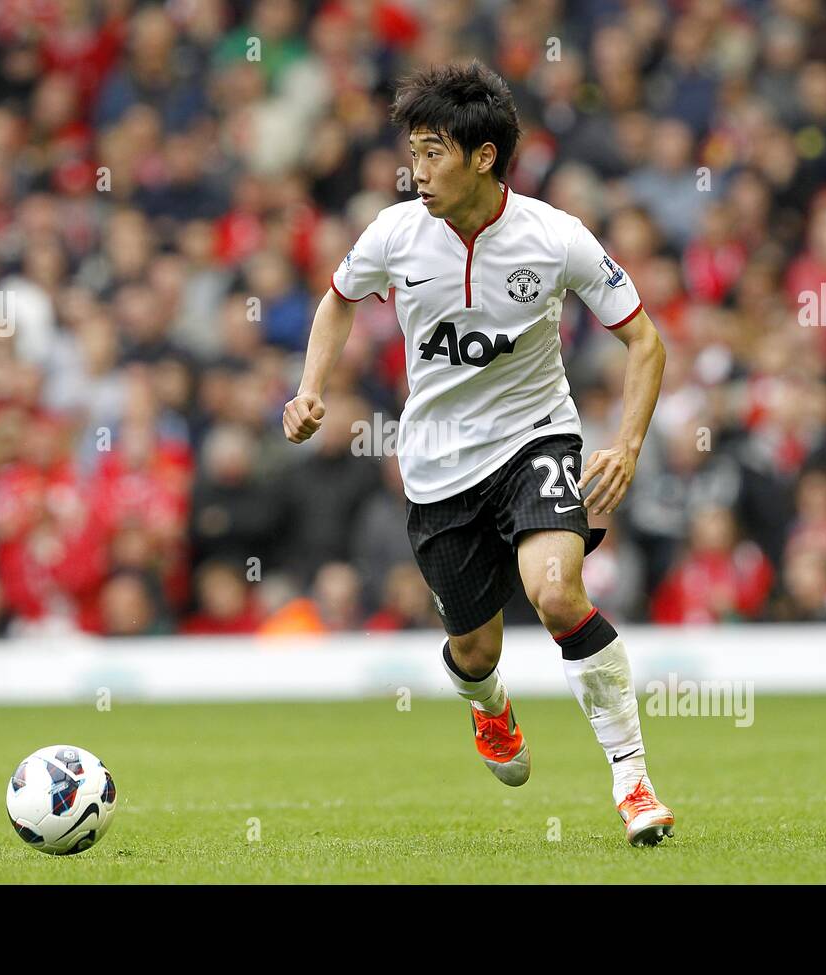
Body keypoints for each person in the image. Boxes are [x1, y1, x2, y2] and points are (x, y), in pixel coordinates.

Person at [282, 61, 673, 845]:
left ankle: (633, 784)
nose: (415, 171)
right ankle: (489, 709)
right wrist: (309, 387)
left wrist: (627, 444)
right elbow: (336, 300)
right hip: (435, 467)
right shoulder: (393, 234)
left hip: (535, 439)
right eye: (413, 153)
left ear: (483, 157)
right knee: (474, 646)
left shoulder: (554, 236)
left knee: (557, 592)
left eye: (432, 153)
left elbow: (644, 338)